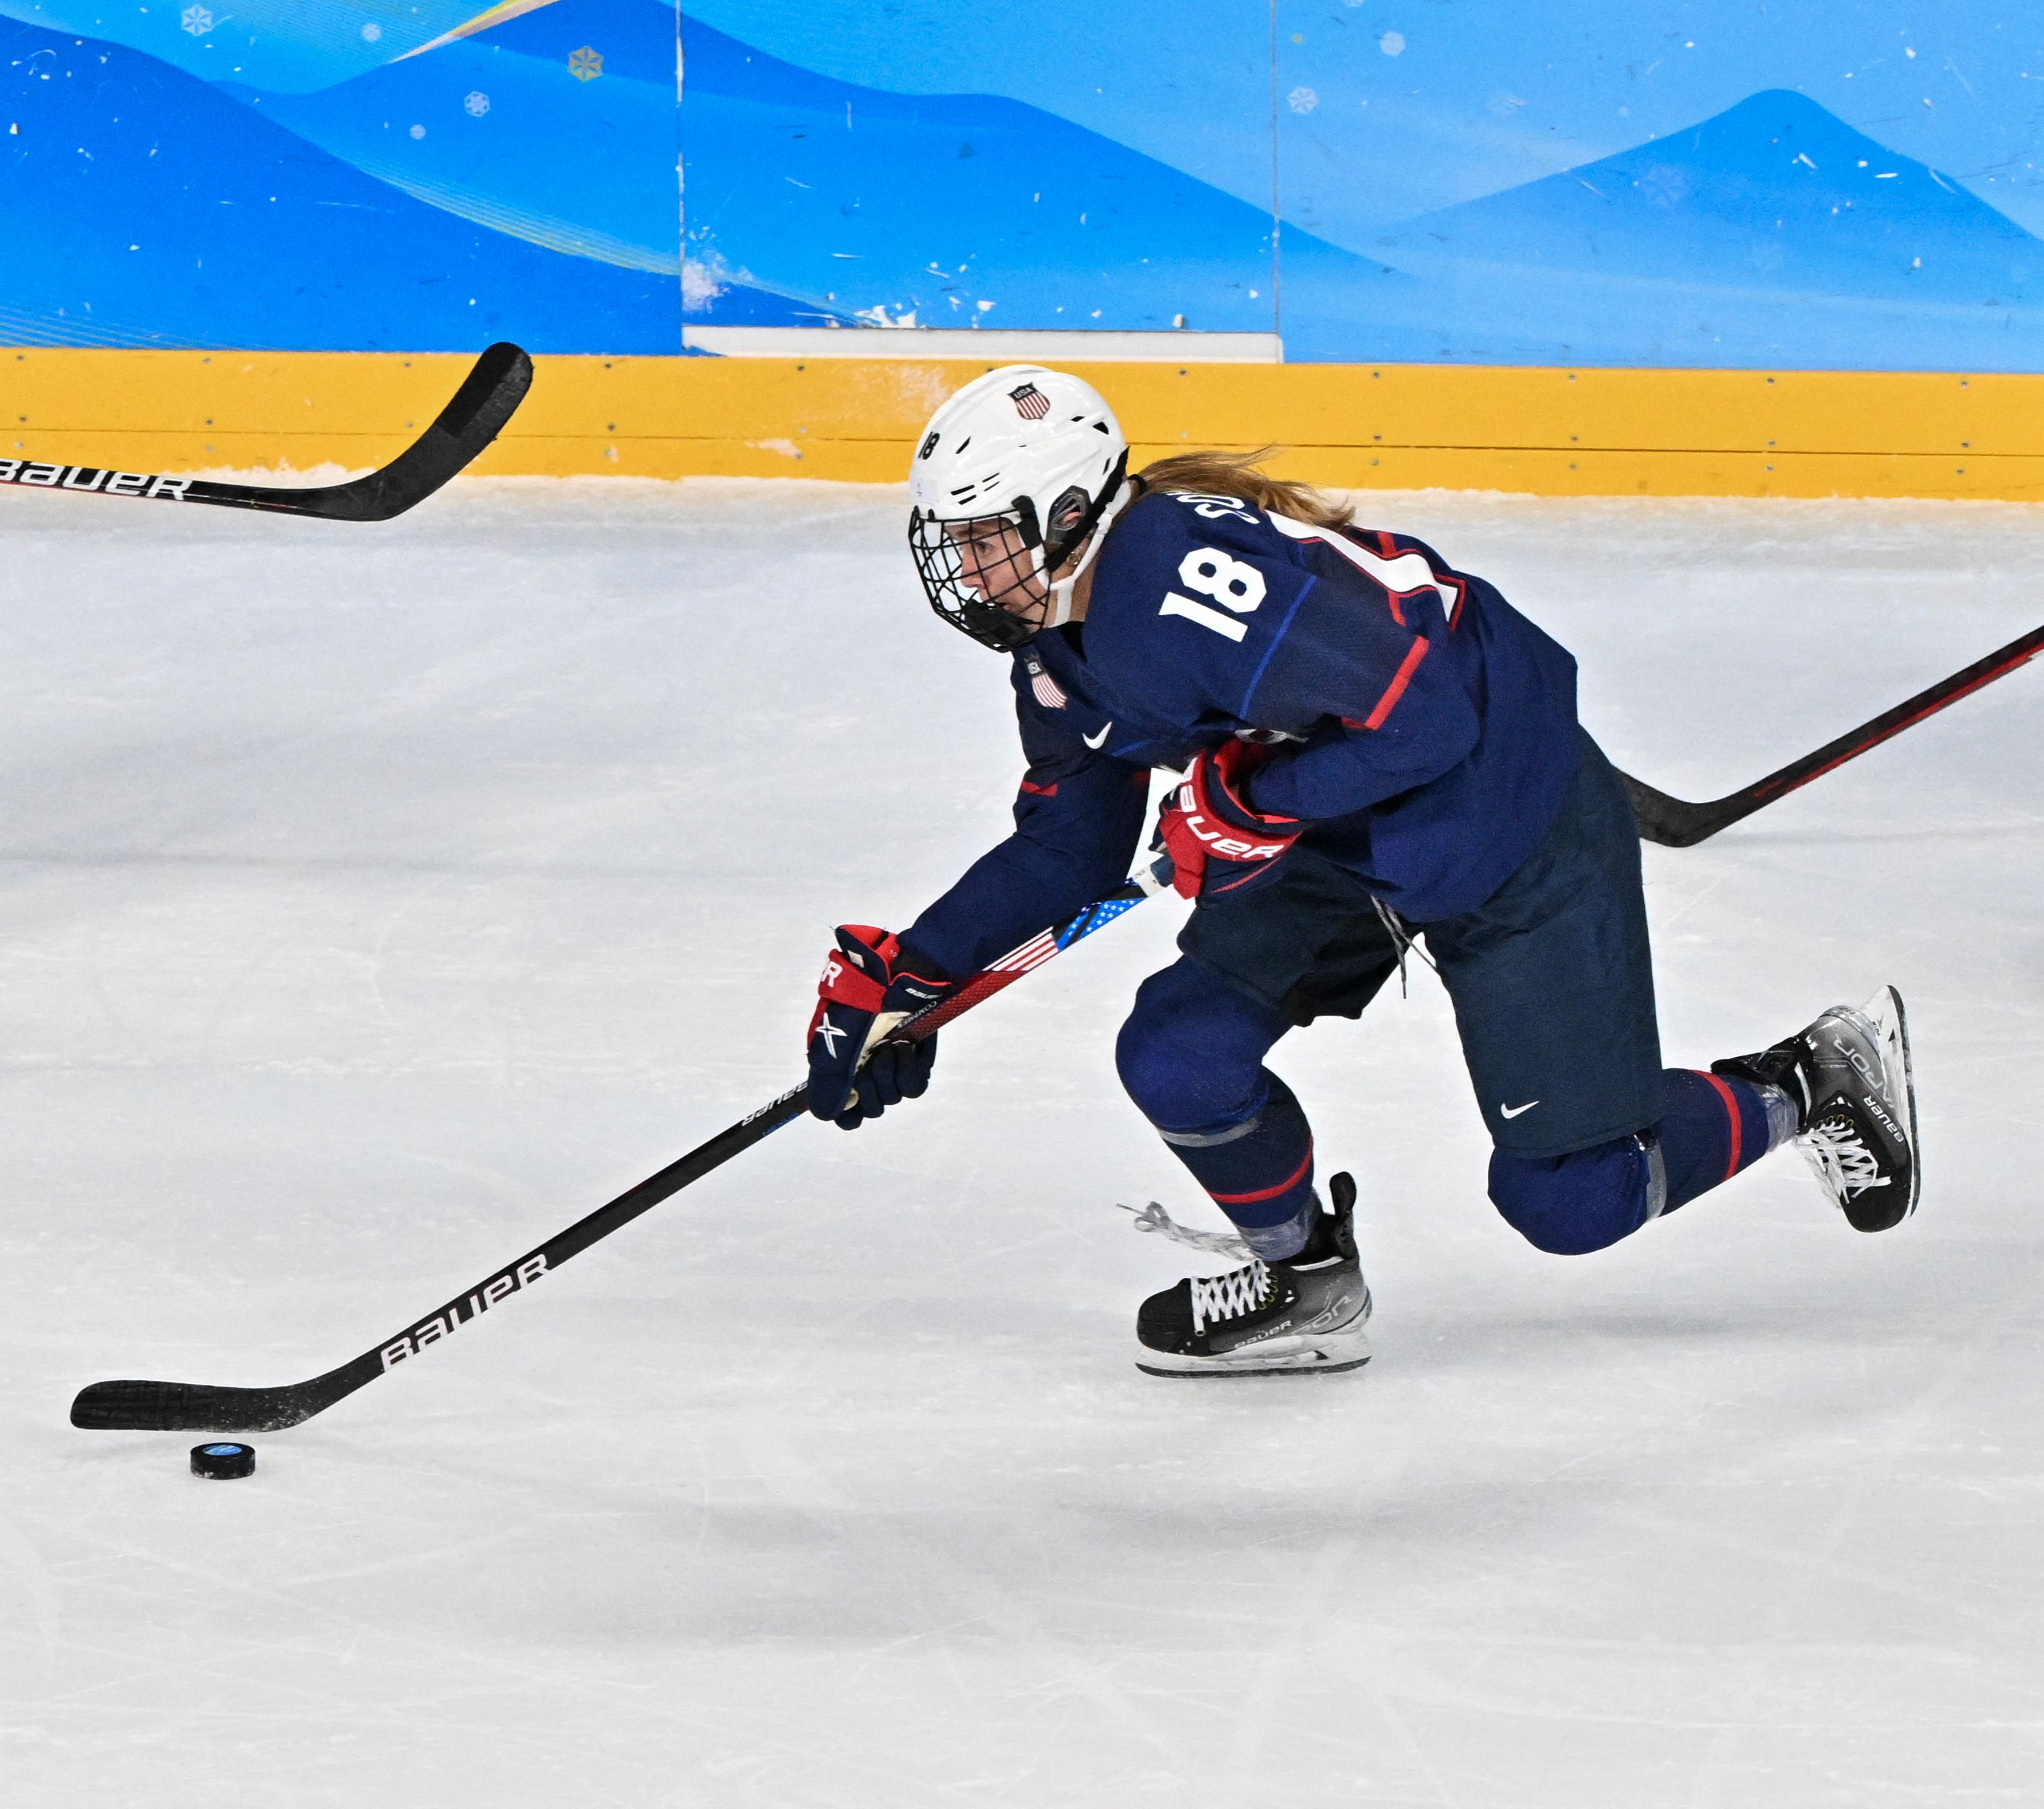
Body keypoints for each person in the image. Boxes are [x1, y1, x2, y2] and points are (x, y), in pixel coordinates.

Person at [799, 366, 1918, 1374]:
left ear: (1072, 510)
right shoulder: (1059, 650)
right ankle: (1308, 1283)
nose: (963, 567)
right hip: (1340, 831)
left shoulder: (1178, 570)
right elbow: (1071, 849)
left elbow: (1426, 714)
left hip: (1503, 813)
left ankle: (1812, 1079)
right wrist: (912, 974)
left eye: (985, 534)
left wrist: (1242, 803)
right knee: (1179, 1054)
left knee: (1574, 1199)